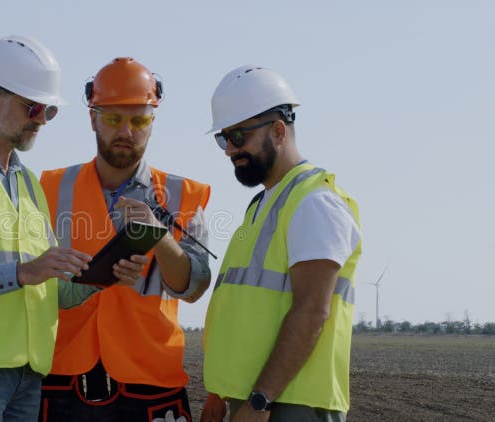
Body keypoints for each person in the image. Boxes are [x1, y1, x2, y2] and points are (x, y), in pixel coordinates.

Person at [0, 37, 146, 422]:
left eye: (49, 111)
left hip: (29, 374)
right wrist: (22, 272)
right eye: (32, 107)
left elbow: (49, 291)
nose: (41, 120)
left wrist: (102, 277)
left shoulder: (28, 182)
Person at [39, 57, 212, 422]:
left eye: (139, 120)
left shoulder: (184, 196)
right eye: (114, 119)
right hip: (62, 379)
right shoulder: (49, 189)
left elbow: (193, 286)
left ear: (152, 122)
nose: (127, 131)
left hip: (150, 383)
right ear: (92, 119)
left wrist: (160, 238)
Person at [200, 65, 362, 422]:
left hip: (290, 405)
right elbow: (242, 311)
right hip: (255, 402)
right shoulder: (263, 205)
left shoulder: (314, 203)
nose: (229, 150)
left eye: (238, 136)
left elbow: (311, 311)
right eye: (223, 138)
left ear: (277, 130)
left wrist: (260, 400)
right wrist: (219, 394)